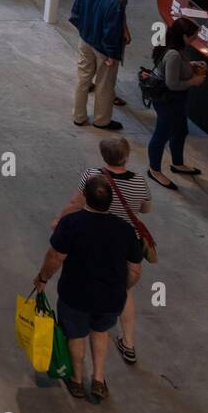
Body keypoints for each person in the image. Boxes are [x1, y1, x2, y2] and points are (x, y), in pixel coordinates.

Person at [34, 175, 143, 403]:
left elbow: (55, 257)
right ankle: (99, 379)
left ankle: (76, 379)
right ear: (110, 201)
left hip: (76, 294)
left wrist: (43, 278)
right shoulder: (125, 230)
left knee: (76, 336)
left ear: (86, 198)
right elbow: (134, 270)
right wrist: (122, 289)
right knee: (100, 333)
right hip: (110, 298)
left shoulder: (72, 223)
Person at [52, 137, 152, 364]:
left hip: (96, 237)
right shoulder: (138, 181)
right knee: (125, 290)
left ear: (103, 155)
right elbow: (145, 209)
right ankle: (128, 343)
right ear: (126, 156)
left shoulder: (93, 177)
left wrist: (59, 219)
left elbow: (76, 203)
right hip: (127, 243)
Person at [147, 16, 207, 190]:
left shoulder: (174, 48)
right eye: (193, 36)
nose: (195, 39)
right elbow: (172, 84)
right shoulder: (173, 54)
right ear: (184, 36)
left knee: (181, 131)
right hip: (169, 101)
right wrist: (193, 82)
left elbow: (176, 68)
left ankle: (177, 163)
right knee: (161, 135)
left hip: (176, 101)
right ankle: (154, 170)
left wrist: (191, 64)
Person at [69, 0, 130, 130]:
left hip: (85, 40)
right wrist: (111, 55)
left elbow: (75, 13)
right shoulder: (114, 3)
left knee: (83, 79)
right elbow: (110, 32)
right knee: (104, 84)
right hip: (103, 50)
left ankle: (78, 116)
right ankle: (101, 120)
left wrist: (84, 31)